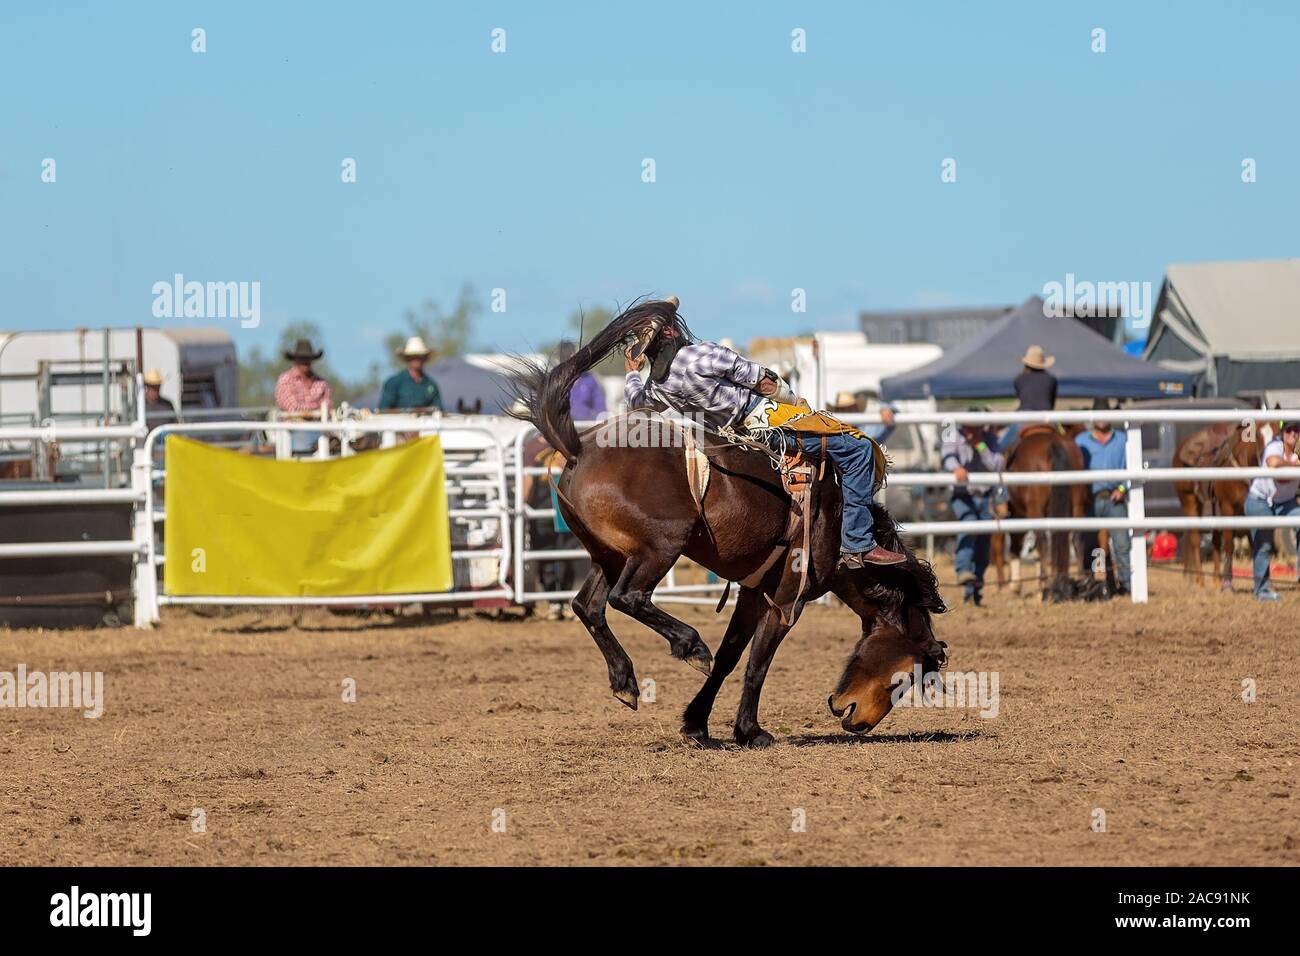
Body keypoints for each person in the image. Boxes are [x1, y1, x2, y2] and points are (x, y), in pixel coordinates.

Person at [623, 300, 905, 568]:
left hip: (730, 438)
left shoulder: (658, 385)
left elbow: (638, 404)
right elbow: (762, 380)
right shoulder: (702, 354)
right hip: (766, 423)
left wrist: (632, 374)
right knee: (859, 449)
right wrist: (794, 402)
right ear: (670, 331)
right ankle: (857, 541)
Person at [942, 417, 1005, 605]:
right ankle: (963, 570)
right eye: (969, 426)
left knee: (984, 543)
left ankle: (974, 590)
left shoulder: (989, 439)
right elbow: (947, 457)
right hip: (963, 495)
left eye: (976, 426)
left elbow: (998, 464)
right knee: (968, 525)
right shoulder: (953, 436)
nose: (971, 430)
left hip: (985, 496)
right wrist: (957, 468)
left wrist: (981, 446)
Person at [1075, 405, 1131, 594]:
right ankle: (1092, 583)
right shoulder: (1080, 441)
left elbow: (1132, 467)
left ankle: (1126, 585)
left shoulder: (1123, 439)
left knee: (1122, 543)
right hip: (1090, 499)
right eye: (1098, 414)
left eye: (1105, 413)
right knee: (1091, 543)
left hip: (1114, 498)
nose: (1101, 418)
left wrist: (1122, 488)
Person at [1244, 420, 1300, 602]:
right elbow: (1273, 464)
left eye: (1297, 431)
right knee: (1264, 544)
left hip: (1286, 502)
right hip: (1259, 500)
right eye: (1289, 430)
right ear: (1283, 433)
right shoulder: (1274, 446)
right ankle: (1261, 590)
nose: (1293, 434)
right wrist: (1297, 466)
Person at [274, 338, 333, 453]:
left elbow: (328, 406)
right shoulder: (285, 380)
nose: (305, 362)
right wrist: (317, 411)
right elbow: (293, 408)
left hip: (319, 432)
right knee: (304, 442)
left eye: (307, 358)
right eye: (302, 358)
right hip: (293, 432)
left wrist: (317, 412)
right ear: (295, 360)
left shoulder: (321, 383)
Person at [1002, 344, 1058, 451]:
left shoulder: (1019, 379)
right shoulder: (1051, 379)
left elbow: (1023, 400)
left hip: (1025, 418)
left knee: (1002, 446)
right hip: (1047, 418)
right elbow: (1051, 403)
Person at [379, 337, 443, 411]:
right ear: (407, 358)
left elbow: (438, 411)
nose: (416, 359)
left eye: (420, 356)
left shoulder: (431, 385)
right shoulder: (394, 383)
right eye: (412, 356)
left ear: (425, 358)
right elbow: (383, 411)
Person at [556, 341, 606, 423]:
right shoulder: (554, 382)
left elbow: (601, 409)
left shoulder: (589, 379)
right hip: (562, 429)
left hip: (588, 428)